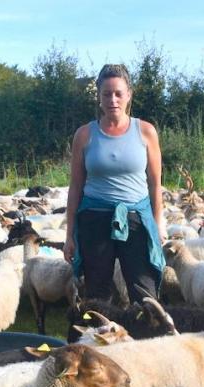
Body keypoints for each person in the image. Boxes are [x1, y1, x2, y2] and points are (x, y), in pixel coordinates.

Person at [63, 63, 166, 304]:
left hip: (136, 219)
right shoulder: (85, 135)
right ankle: (94, 340)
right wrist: (70, 235)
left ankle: (148, 340)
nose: (113, 100)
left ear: (129, 95)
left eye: (118, 93)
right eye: (106, 94)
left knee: (144, 291)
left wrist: (158, 223)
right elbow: (75, 187)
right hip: (95, 220)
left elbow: (154, 183)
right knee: (97, 293)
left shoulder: (146, 132)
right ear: (99, 97)